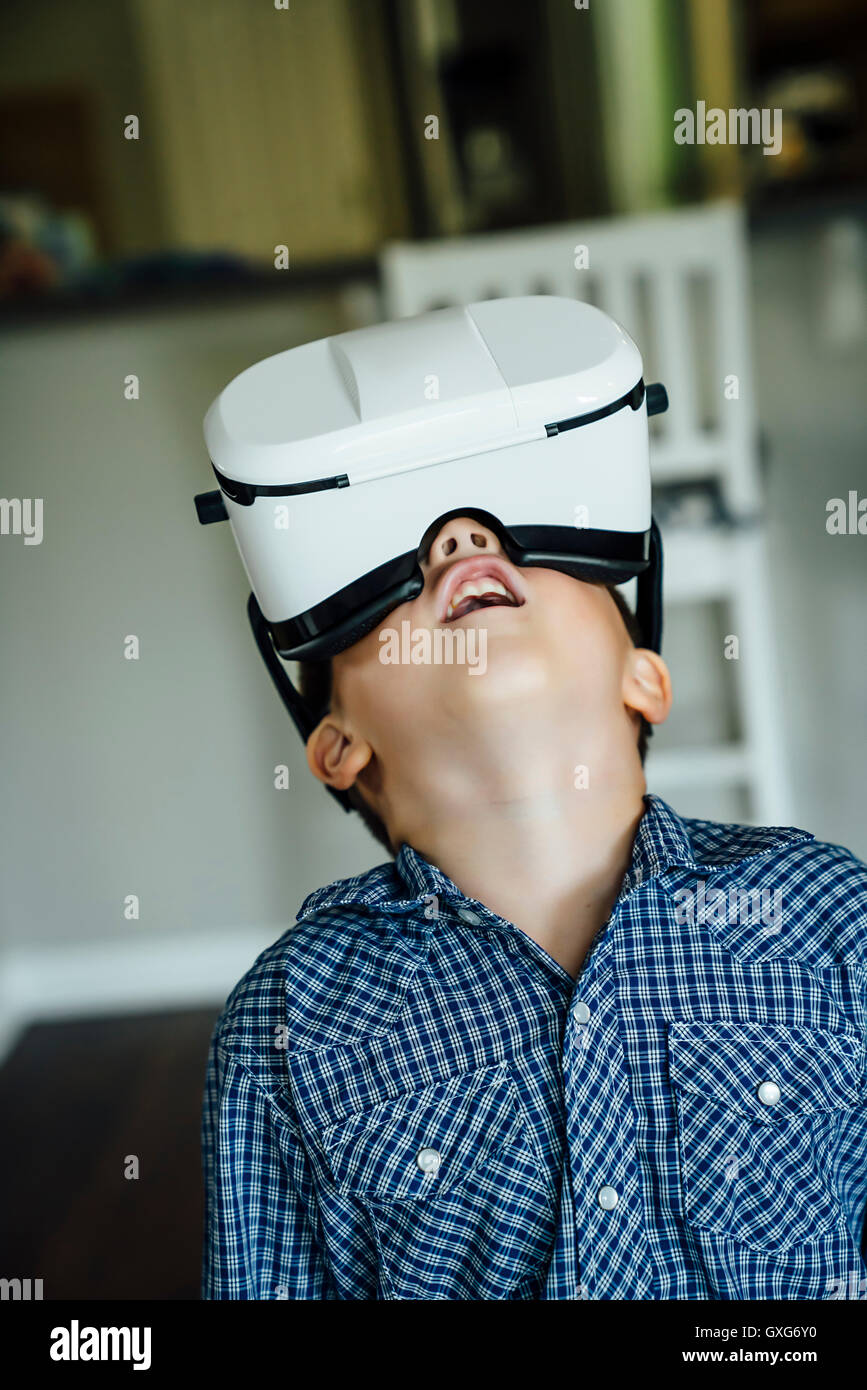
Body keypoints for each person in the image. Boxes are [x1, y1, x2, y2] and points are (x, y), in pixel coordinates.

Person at [202, 516, 867, 1303]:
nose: (458, 538)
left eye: (527, 542)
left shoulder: (825, 915)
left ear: (644, 679)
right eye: (394, 578)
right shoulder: (289, 1017)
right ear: (337, 748)